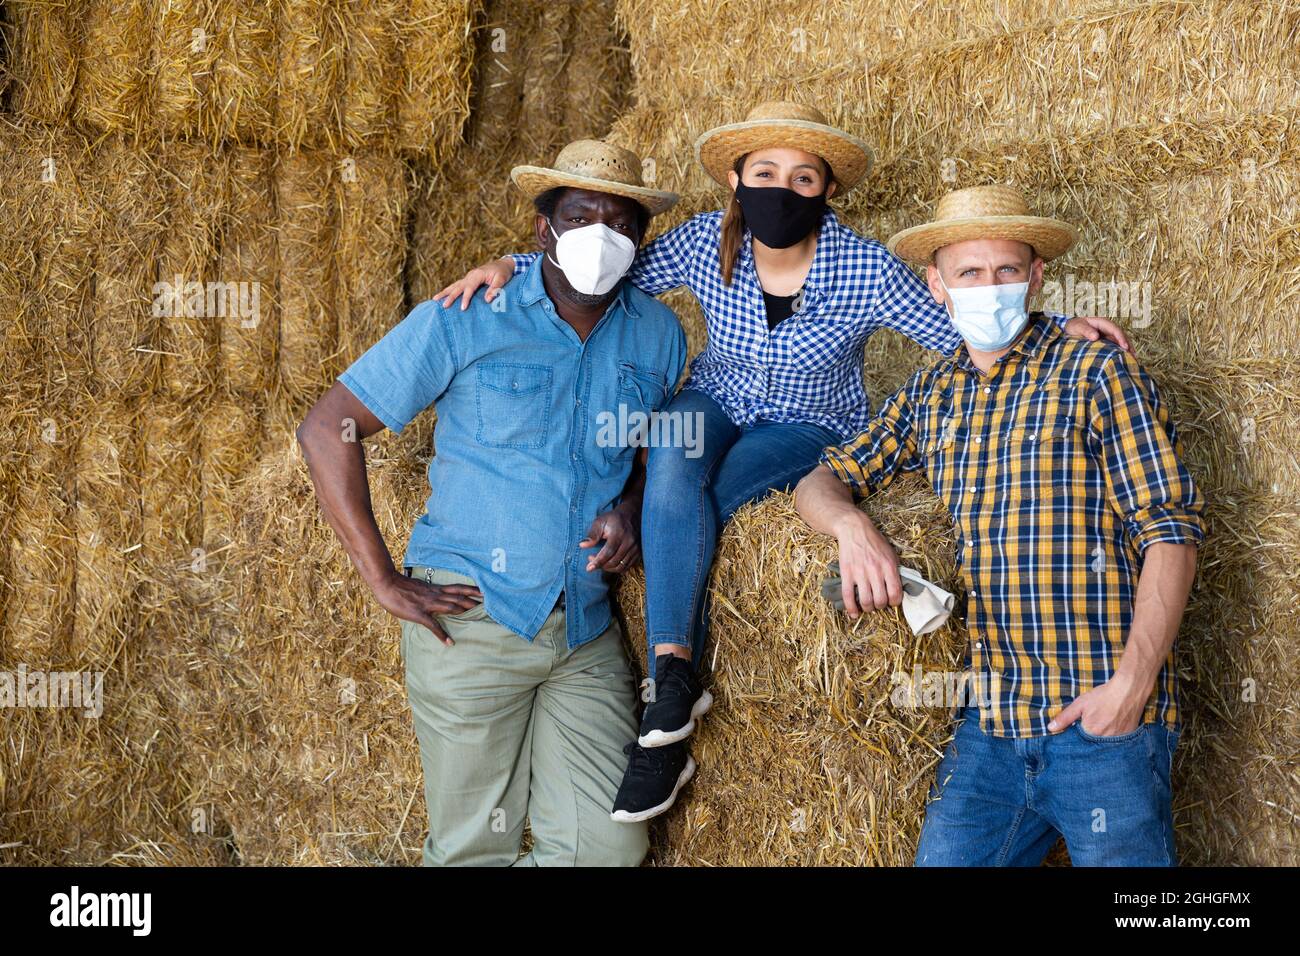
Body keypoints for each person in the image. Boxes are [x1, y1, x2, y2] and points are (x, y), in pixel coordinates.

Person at [436, 102, 1130, 822]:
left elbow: (962, 325)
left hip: (807, 425)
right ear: (736, 180)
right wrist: (512, 264)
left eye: (803, 178)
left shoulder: (862, 267)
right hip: (716, 399)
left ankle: (666, 722)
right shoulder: (706, 242)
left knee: (712, 499)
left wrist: (1051, 327)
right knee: (674, 455)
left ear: (828, 191)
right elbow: (603, 265)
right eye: (764, 172)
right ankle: (671, 682)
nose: (782, 188)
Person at [296, 139, 687, 865]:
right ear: (544, 231)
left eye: (620, 222)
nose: (600, 236)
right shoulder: (470, 312)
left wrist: (632, 503)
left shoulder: (659, 335)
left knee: (607, 849)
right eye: (581, 217)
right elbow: (327, 426)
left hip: (584, 637)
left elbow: (654, 451)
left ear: (641, 238)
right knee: (474, 849)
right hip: (471, 623)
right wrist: (381, 577)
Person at [795, 184, 1205, 866]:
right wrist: (851, 527)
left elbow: (1171, 529)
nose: (991, 287)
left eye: (1007, 271)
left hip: (1100, 723)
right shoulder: (931, 395)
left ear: (1036, 276)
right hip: (989, 728)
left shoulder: (1095, 372)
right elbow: (821, 478)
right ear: (937, 285)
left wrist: (1131, 687)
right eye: (970, 273)